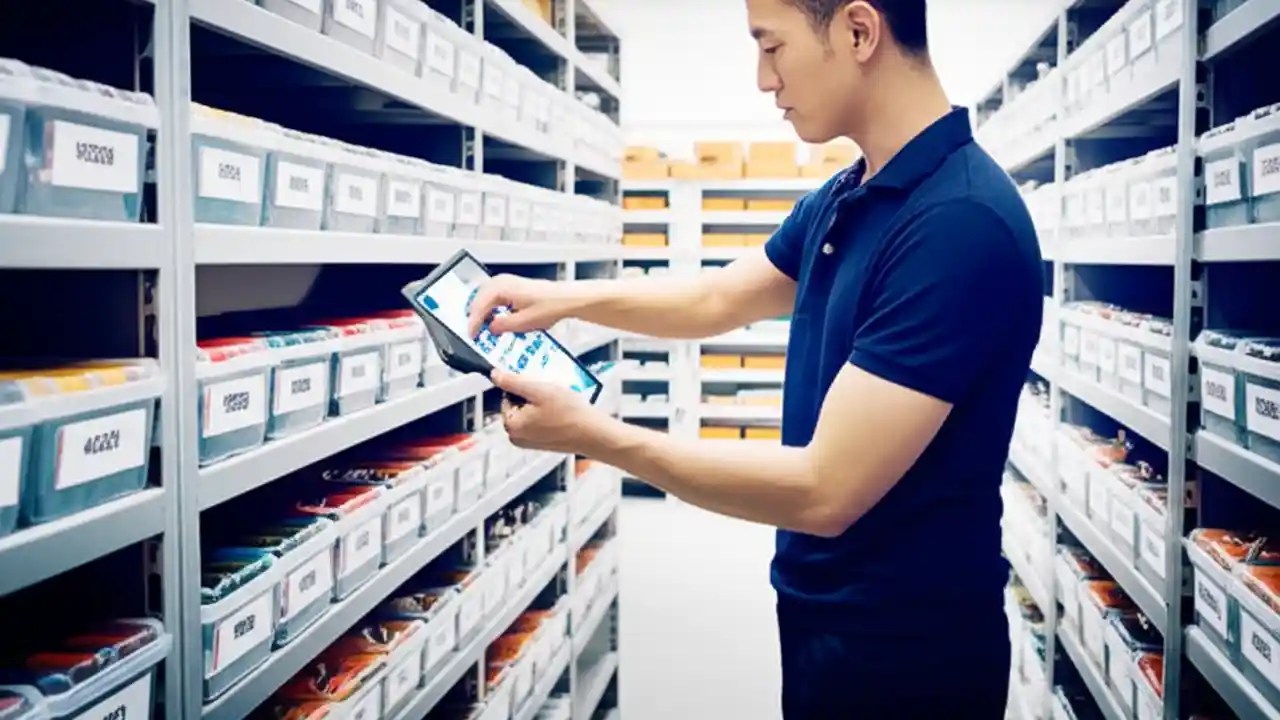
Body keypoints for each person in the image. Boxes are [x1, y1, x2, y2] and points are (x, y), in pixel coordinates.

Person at [469, 0, 1043, 717]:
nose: (763, 79)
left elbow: (824, 491)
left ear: (858, 31)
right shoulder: (852, 193)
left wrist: (595, 437)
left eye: (771, 47)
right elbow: (714, 300)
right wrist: (561, 299)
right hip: (826, 619)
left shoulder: (957, 224)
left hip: (909, 654)